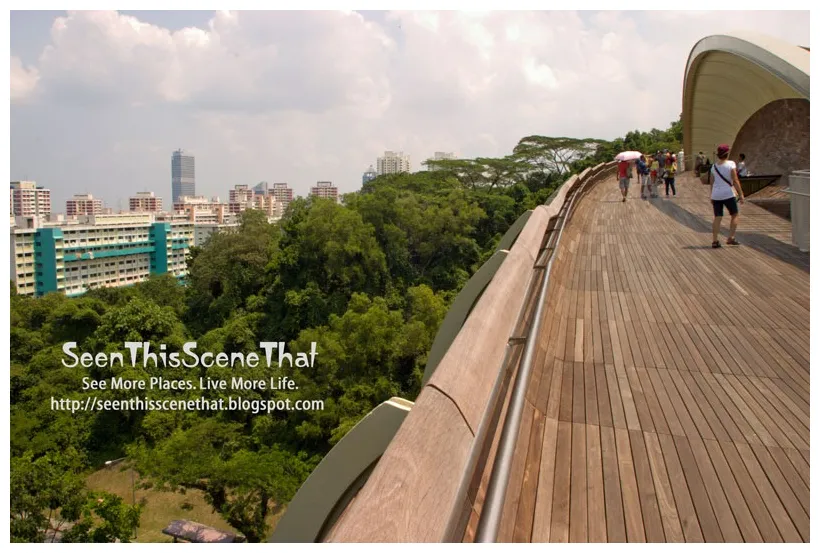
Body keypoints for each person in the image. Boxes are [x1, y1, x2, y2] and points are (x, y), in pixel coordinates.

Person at [709, 143, 745, 248]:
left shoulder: (713, 166)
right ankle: (731, 237)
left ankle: (715, 241)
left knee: (717, 217)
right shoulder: (731, 164)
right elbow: (735, 180)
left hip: (716, 194)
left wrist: (711, 195)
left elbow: (712, 182)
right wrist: (741, 194)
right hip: (728, 193)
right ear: (727, 154)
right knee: (734, 214)